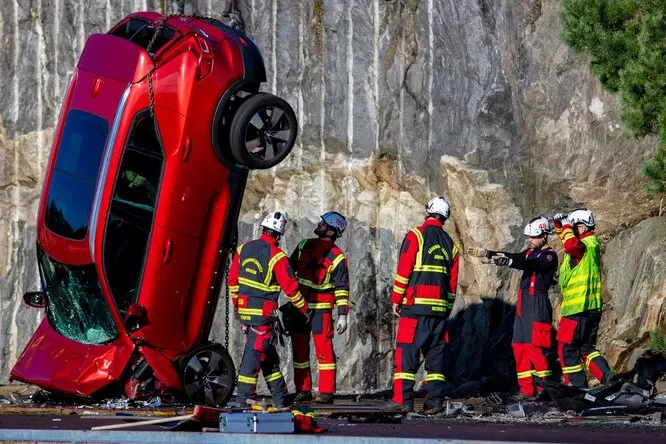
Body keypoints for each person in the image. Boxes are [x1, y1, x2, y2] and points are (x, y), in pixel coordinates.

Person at [227, 211, 312, 408]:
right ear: (279, 235)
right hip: (263, 315)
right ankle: (242, 400)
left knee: (267, 356)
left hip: (244, 312)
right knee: (253, 356)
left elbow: (233, 281)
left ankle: (281, 398)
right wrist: (305, 309)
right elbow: (291, 289)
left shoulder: (243, 248)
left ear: (263, 229)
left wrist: (237, 304)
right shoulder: (277, 256)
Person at [387, 196, 459, 414]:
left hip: (415, 308)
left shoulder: (416, 235)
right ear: (445, 217)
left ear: (428, 211)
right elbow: (452, 284)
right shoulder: (451, 245)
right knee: (436, 359)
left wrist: (396, 300)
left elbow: (404, 270)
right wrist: (445, 309)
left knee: (406, 354)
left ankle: (402, 400)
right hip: (438, 312)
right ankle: (435, 401)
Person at [486, 216, 558, 399]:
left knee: (536, 348)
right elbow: (516, 257)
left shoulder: (549, 255)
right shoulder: (529, 252)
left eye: (533, 237)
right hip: (523, 305)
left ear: (544, 236)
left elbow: (533, 264)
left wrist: (509, 262)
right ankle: (526, 390)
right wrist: (491, 254)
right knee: (519, 347)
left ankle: (544, 390)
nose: (529, 240)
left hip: (537, 303)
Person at [288, 211, 350, 404]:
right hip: (299, 306)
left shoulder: (338, 257)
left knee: (324, 351)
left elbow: (342, 288)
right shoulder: (303, 245)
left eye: (323, 223)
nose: (319, 224)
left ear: (331, 232)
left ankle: (326, 392)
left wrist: (342, 315)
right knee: (299, 351)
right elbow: (287, 271)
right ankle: (303, 389)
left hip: (321, 310)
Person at [553, 208, 615, 387]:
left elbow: (571, 244)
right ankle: (607, 377)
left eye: (573, 228)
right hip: (591, 310)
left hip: (576, 311)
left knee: (567, 351)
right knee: (587, 349)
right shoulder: (590, 244)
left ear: (580, 227)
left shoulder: (581, 246)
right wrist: (559, 225)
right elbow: (567, 240)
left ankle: (577, 388)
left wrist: (565, 224)